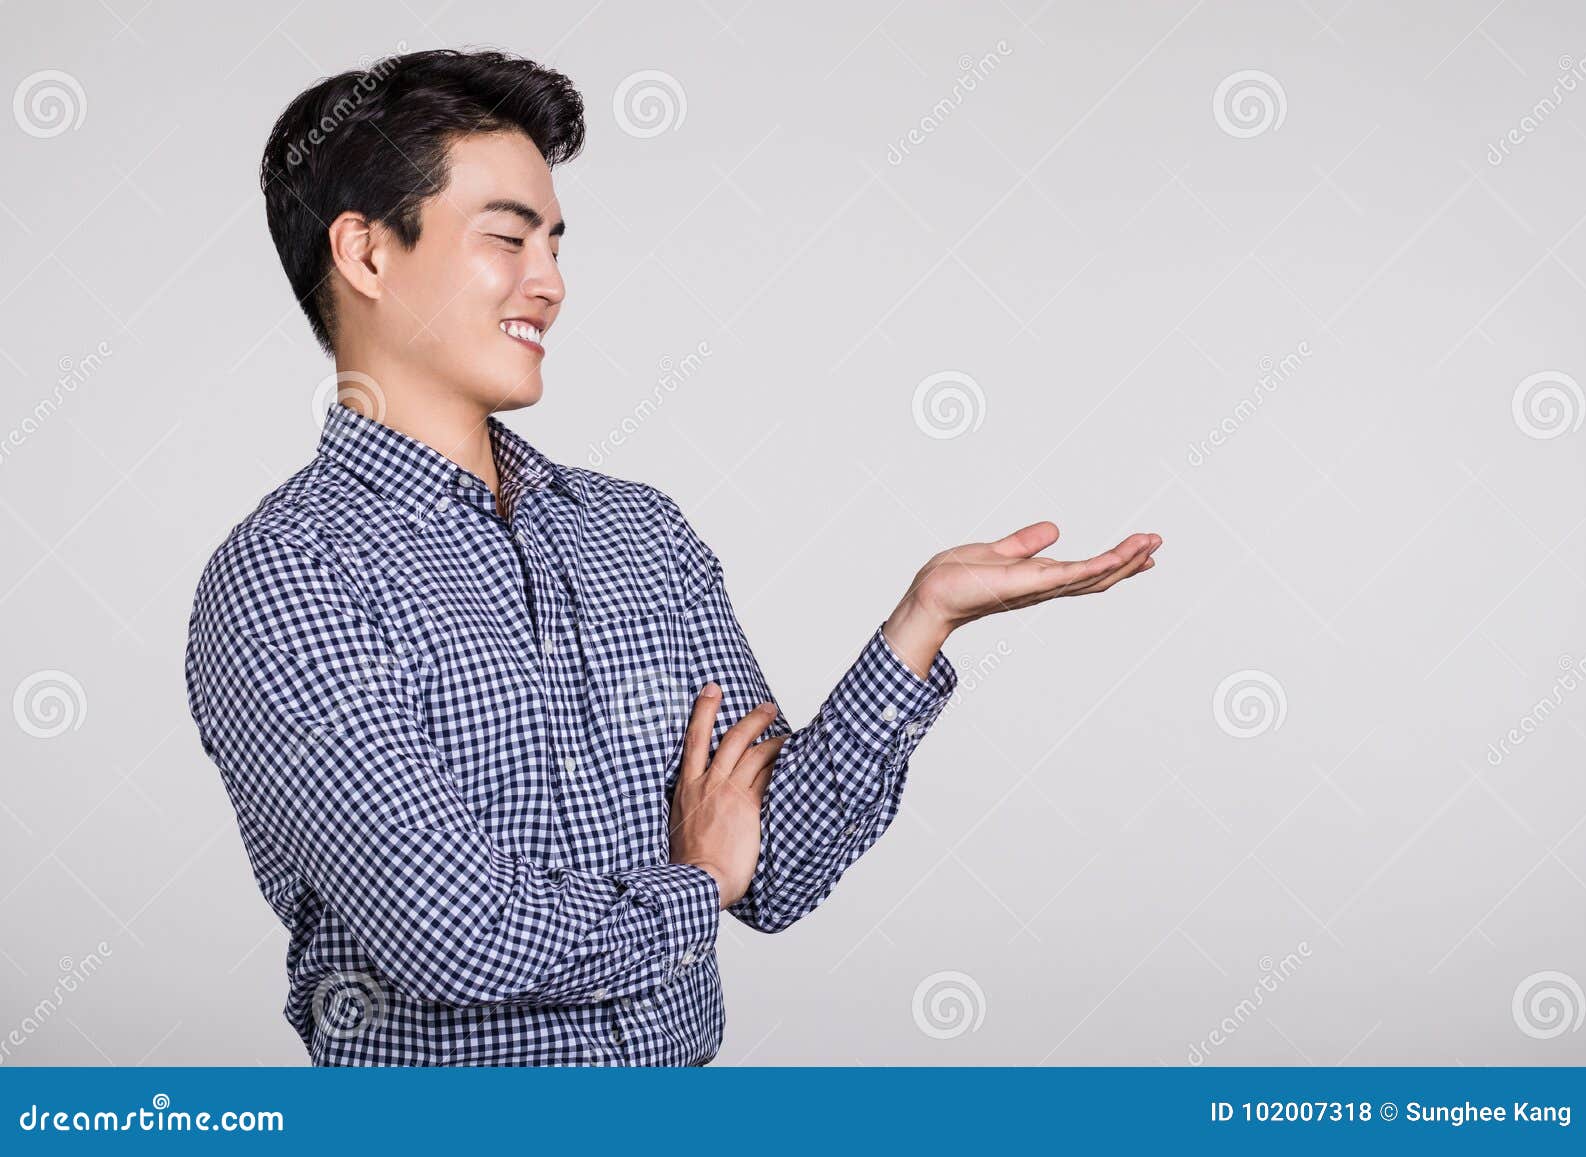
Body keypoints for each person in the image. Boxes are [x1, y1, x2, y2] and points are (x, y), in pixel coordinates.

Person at [182, 47, 1162, 1067]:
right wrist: (694, 884)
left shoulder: (639, 533)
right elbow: (456, 935)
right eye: (507, 240)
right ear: (369, 255)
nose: (551, 282)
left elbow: (773, 865)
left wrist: (921, 624)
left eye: (557, 242)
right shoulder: (288, 576)